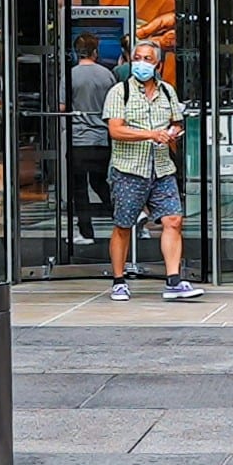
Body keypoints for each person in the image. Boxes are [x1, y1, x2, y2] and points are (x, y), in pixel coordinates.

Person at [104, 38, 205, 301]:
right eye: (137, 58)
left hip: (161, 169)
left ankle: (174, 281)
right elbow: (115, 130)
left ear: (158, 64)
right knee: (123, 225)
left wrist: (173, 132)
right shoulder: (120, 92)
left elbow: (177, 122)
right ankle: (118, 281)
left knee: (173, 220)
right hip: (129, 170)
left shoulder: (168, 92)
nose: (141, 63)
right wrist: (150, 134)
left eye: (147, 59)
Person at [67, 33, 119, 247]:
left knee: (79, 188)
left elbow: (62, 106)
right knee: (100, 182)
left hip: (78, 138)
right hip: (102, 138)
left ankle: (86, 232)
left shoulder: (71, 75)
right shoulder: (107, 75)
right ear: (95, 51)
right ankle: (123, 218)